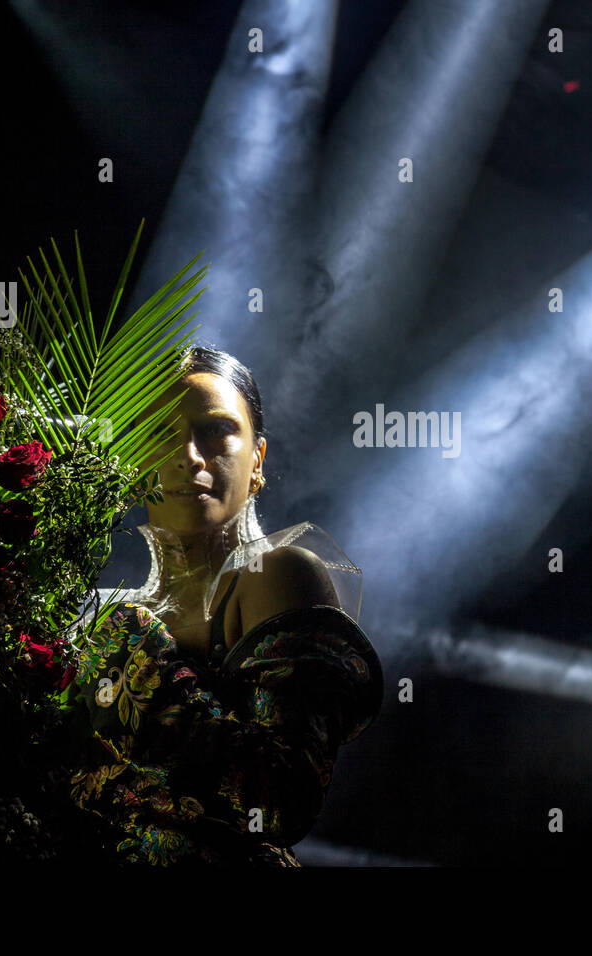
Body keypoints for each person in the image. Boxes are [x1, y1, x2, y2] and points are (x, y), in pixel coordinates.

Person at [63, 346, 383, 866]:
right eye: (162, 434)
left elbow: (282, 798)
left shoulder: (275, 576)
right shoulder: (102, 613)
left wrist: (144, 668)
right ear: (132, 458)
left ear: (257, 458)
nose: (190, 455)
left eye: (215, 430)